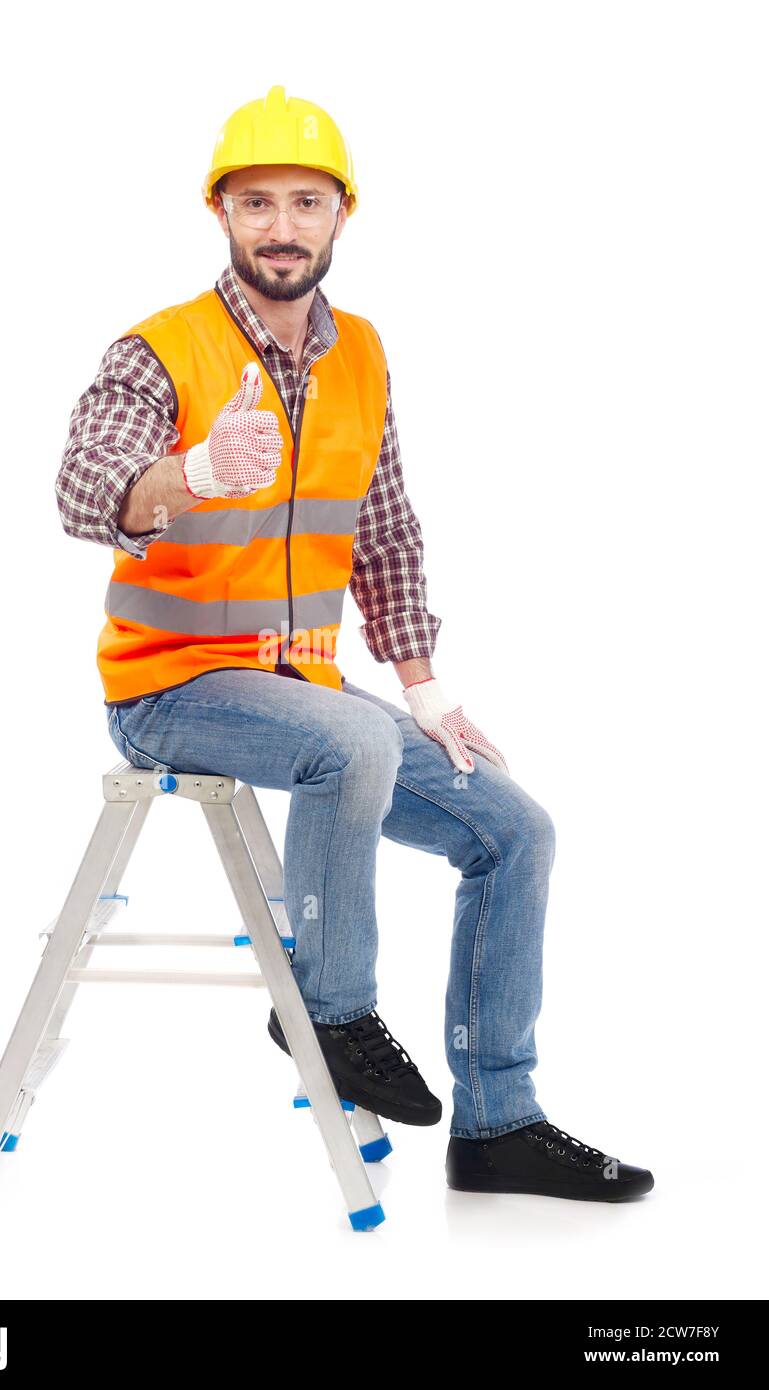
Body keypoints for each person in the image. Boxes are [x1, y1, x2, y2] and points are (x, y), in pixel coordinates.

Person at [56, 85, 654, 1202]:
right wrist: (184, 475)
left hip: (306, 687)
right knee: (349, 743)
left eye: (305, 201)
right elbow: (84, 483)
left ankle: (498, 1122)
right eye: (256, 203)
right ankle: (327, 1013)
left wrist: (424, 687)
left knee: (515, 828)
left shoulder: (361, 355)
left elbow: (381, 526)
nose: (281, 225)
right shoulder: (160, 349)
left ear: (341, 215)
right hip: (172, 688)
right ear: (221, 214)